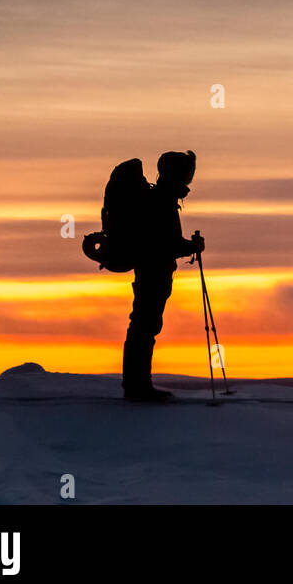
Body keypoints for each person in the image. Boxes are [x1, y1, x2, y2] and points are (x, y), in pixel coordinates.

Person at [122, 150, 204, 402]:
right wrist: (192, 247)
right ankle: (138, 388)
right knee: (145, 326)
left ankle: (137, 385)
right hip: (153, 273)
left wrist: (187, 246)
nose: (189, 180)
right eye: (187, 174)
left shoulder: (160, 199)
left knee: (144, 326)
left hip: (151, 271)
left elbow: (164, 242)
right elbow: (164, 244)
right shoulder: (161, 201)